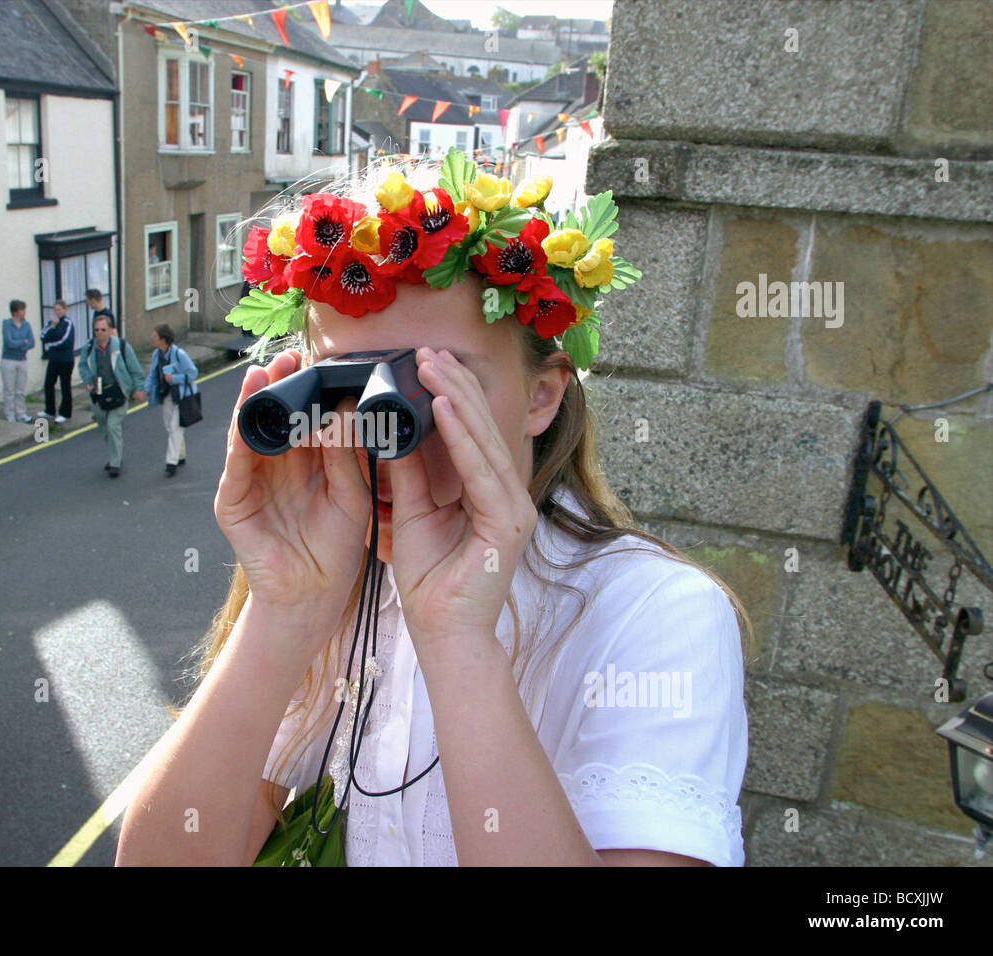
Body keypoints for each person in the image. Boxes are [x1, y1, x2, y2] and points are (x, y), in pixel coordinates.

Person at [115, 162, 750, 866]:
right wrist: (283, 612)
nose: (386, 440)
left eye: (428, 386)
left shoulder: (656, 615)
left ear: (541, 396)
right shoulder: (334, 581)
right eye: (344, 389)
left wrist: (458, 640)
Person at [78, 314, 147, 477]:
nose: (99, 333)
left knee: (113, 425)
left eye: (103, 329)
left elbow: (136, 370)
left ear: (110, 330)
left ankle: (115, 463)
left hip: (119, 392)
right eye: (96, 330)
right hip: (98, 394)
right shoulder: (89, 347)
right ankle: (115, 455)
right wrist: (88, 380)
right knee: (104, 427)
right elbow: (82, 366)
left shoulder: (121, 347)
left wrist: (138, 389)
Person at [142, 323, 198, 478]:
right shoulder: (157, 354)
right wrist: (146, 390)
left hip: (182, 396)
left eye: (155, 335)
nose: (152, 338)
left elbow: (193, 373)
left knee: (175, 427)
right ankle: (180, 455)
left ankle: (171, 463)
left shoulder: (180, 354)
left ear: (163, 339)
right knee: (170, 427)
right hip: (167, 396)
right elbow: (153, 375)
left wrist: (174, 378)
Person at [39, 300, 75, 423]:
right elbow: (43, 337)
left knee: (65, 386)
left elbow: (64, 341)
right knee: (48, 384)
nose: (57, 312)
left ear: (65, 310)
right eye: (55, 309)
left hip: (66, 360)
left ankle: (65, 413)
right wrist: (53, 328)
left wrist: (51, 343)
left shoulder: (68, 323)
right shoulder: (51, 323)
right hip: (53, 359)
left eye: (59, 309)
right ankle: (50, 410)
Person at [1, 298, 35, 423]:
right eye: (22, 310)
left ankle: (21, 413)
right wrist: (23, 342)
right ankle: (9, 414)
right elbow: (9, 342)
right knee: (9, 389)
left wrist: (21, 346)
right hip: (8, 360)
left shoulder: (27, 325)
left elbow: (31, 342)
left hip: (22, 360)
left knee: (20, 390)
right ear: (15, 312)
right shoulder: (6, 324)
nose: (24, 312)